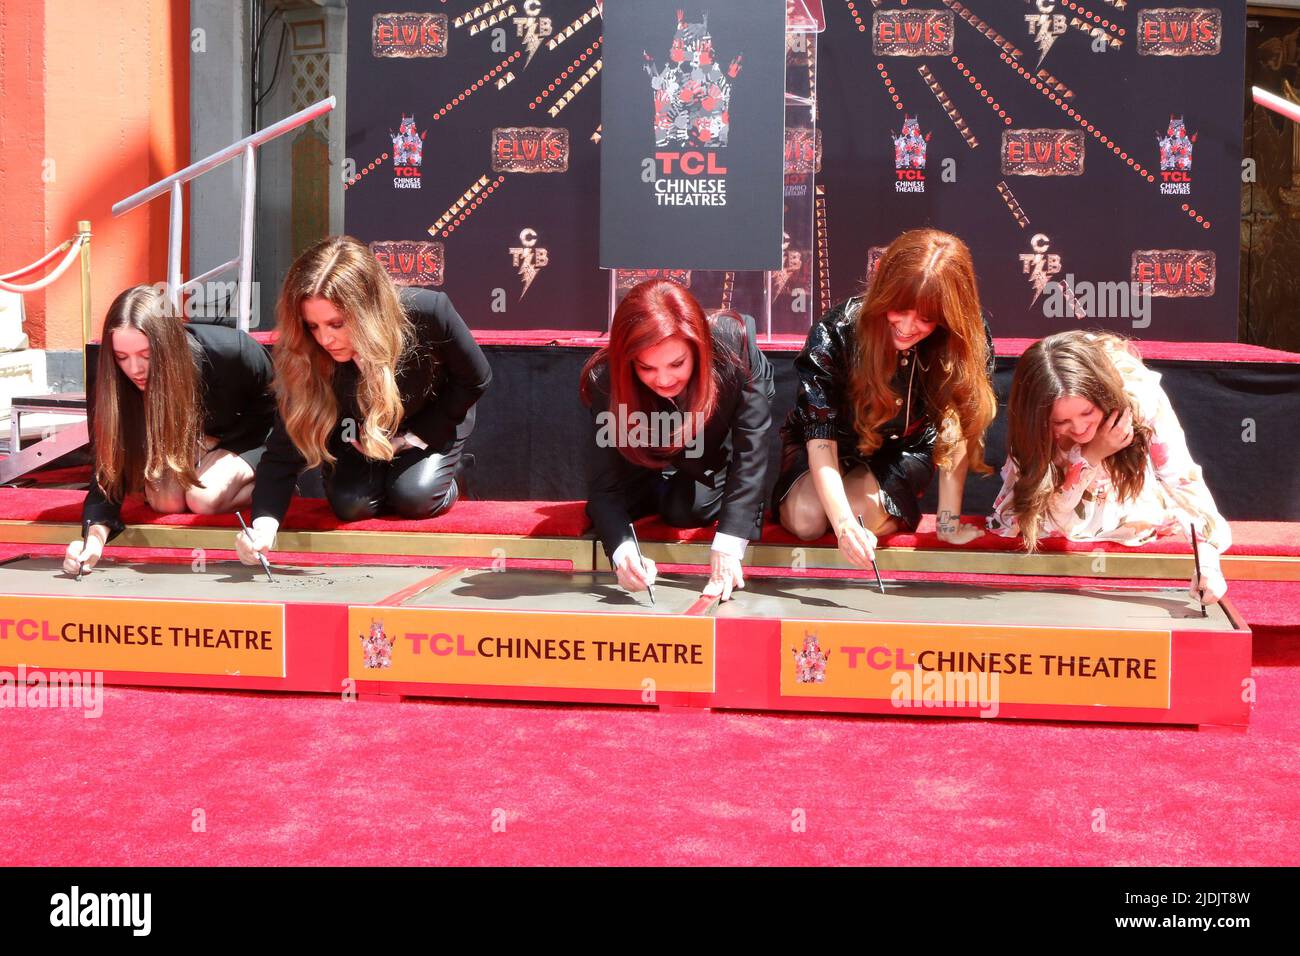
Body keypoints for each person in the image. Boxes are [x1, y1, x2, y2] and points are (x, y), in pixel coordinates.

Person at [236, 235, 491, 566]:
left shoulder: (429, 311)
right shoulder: (307, 352)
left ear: (367, 309)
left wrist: (413, 438)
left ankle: (452, 472)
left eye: (336, 324)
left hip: (426, 424)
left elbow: (476, 379)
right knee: (350, 506)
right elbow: (284, 449)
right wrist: (264, 528)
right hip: (355, 437)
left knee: (414, 496)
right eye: (312, 325)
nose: (325, 338)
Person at [774, 229, 998, 569]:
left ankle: (877, 510)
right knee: (807, 522)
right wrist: (844, 526)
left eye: (926, 318)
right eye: (899, 309)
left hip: (904, 449)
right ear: (883, 290)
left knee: (860, 512)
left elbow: (956, 431)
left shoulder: (964, 337)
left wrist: (948, 525)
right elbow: (820, 437)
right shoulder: (838, 331)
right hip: (832, 443)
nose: (908, 327)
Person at [988, 330, 1231, 603]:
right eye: (1061, 422)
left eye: (1087, 412)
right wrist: (1091, 455)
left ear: (1103, 395)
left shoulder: (1140, 397)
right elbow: (1049, 508)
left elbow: (1181, 478)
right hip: (1056, 492)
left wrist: (1207, 563)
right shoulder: (1034, 421)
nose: (1079, 428)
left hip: (1119, 490)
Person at [580, 279, 775, 601]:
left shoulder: (733, 347)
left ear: (697, 349)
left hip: (710, 449)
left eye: (677, 364)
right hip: (645, 451)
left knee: (687, 510)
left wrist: (729, 545)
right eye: (647, 368)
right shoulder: (607, 381)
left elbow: (751, 451)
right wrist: (623, 553)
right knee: (614, 511)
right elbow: (605, 487)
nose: (665, 379)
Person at [64, 284, 275, 575]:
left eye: (146, 355)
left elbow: (279, 407)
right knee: (166, 501)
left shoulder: (231, 352)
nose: (134, 369)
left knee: (204, 497)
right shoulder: (115, 383)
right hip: (186, 446)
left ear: (167, 345)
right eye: (122, 357)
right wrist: (92, 542)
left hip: (251, 436)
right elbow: (106, 477)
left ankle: (259, 483)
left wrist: (225, 445)